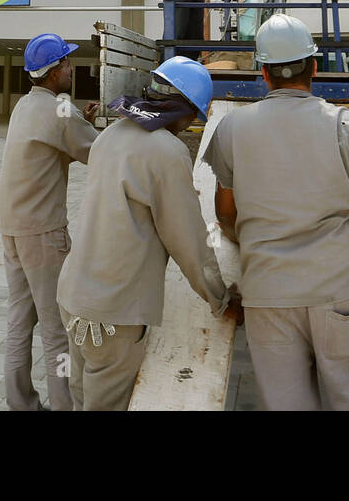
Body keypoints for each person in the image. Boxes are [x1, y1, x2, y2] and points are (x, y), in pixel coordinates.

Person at [204, 13, 349, 411]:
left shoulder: (232, 129)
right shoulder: (346, 126)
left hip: (268, 300)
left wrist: (259, 239)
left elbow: (226, 216)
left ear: (263, 73)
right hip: (339, 299)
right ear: (314, 66)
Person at [57, 56, 241, 410]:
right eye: (193, 118)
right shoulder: (166, 150)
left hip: (73, 296)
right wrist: (220, 299)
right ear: (184, 108)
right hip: (114, 312)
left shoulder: (110, 134)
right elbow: (186, 239)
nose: (190, 126)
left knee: (81, 397)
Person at [0, 33, 99, 411]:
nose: (72, 69)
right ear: (56, 71)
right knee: (58, 329)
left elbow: (48, 153)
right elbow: (98, 152)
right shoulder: (58, 111)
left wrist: (78, 122)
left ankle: (20, 403)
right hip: (42, 232)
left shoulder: (24, 106)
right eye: (68, 63)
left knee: (20, 320)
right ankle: (64, 406)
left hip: (12, 226)